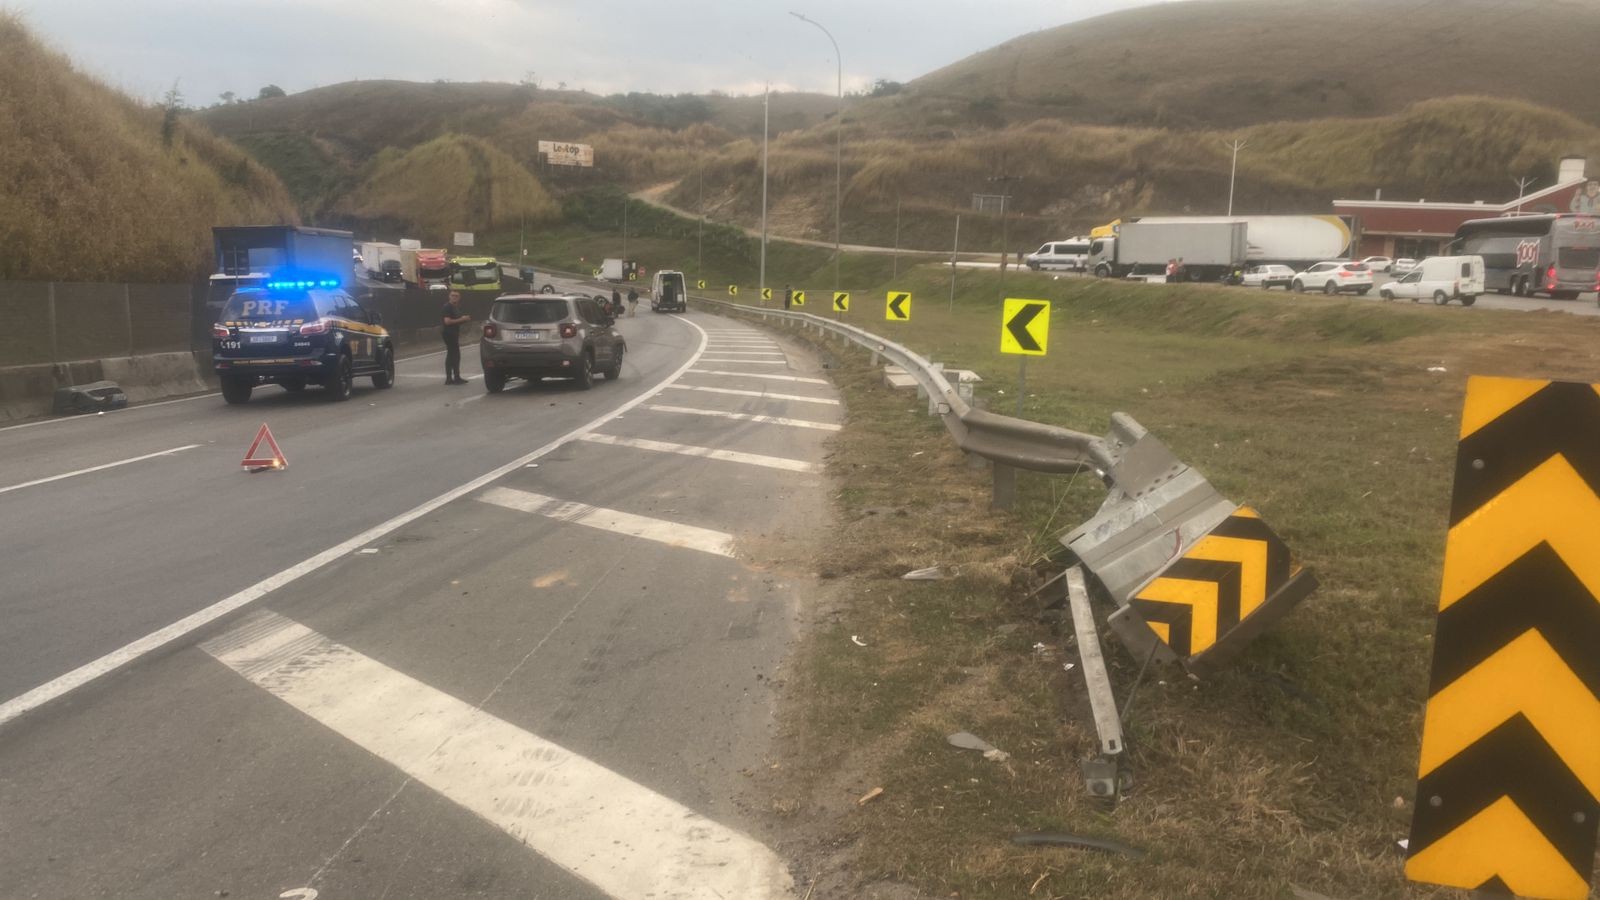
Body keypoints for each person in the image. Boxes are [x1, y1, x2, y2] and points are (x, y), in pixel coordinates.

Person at [440, 291, 471, 385]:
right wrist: (463, 319)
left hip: (454, 332)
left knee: (452, 354)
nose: (454, 297)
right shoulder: (447, 307)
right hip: (448, 333)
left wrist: (464, 319)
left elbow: (456, 320)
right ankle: (454, 377)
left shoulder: (455, 307)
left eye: (456, 296)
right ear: (449, 296)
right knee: (454, 354)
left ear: (459, 298)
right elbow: (447, 321)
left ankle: (451, 378)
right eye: (453, 295)